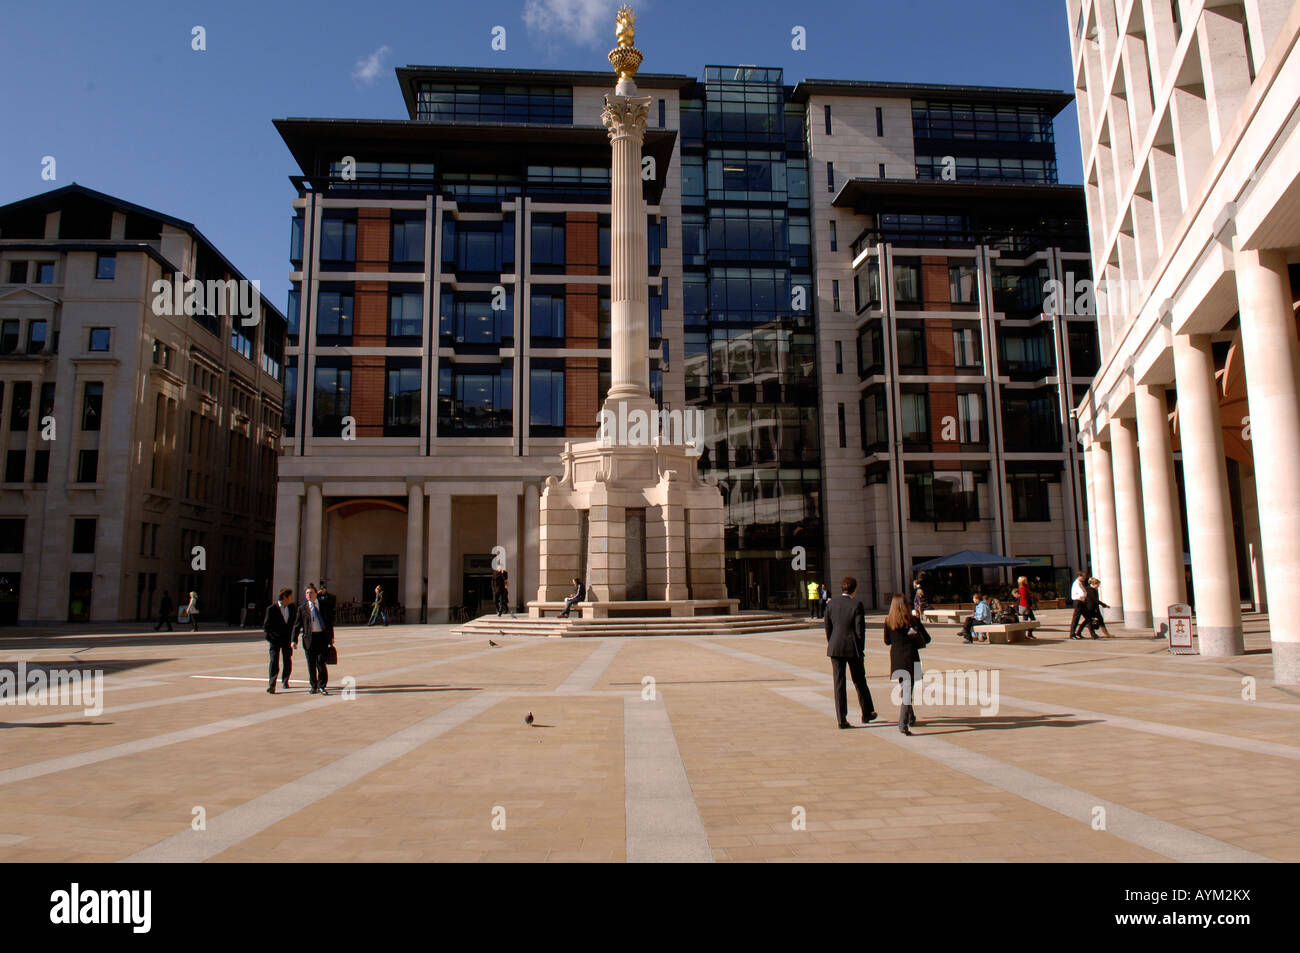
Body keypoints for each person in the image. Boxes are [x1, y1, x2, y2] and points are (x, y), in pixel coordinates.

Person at [824, 576, 876, 729]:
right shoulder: (856, 604)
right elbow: (860, 630)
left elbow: (828, 627)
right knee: (859, 680)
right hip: (853, 647)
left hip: (835, 647)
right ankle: (867, 712)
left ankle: (841, 718)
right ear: (855, 589)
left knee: (839, 683)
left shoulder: (831, 603)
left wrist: (832, 641)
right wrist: (860, 648)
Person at [884, 594, 930, 735]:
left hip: (897, 658)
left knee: (905, 688)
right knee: (907, 692)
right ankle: (903, 723)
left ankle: (910, 717)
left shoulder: (888, 621)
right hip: (911, 657)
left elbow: (887, 641)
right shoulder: (913, 621)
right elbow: (927, 639)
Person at [292, 584, 334, 694]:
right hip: (309, 639)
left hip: (322, 637)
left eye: (311, 593)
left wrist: (331, 637)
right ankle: (313, 685)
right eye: (307, 593)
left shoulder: (324, 605)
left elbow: (329, 622)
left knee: (321, 662)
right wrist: (294, 640)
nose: (309, 595)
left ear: (316, 593)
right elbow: (297, 625)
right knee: (310, 663)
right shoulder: (302, 608)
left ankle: (322, 685)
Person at [263, 588, 297, 693]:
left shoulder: (292, 608)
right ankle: (272, 684)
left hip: (287, 640)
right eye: (290, 596)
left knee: (287, 660)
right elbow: (266, 626)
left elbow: (294, 624)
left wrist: (293, 638)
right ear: (285, 597)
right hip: (275, 640)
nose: (292, 598)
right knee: (274, 661)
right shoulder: (271, 609)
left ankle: (285, 680)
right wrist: (271, 638)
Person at [1068, 571, 1089, 639]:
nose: (1084, 578)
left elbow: (1084, 593)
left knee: (1087, 617)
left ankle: (1079, 632)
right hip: (1078, 601)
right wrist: (1084, 596)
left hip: (1081, 601)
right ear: (1079, 576)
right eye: (1083, 576)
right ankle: (1072, 634)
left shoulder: (1079, 583)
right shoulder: (1076, 584)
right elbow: (1082, 593)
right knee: (1076, 618)